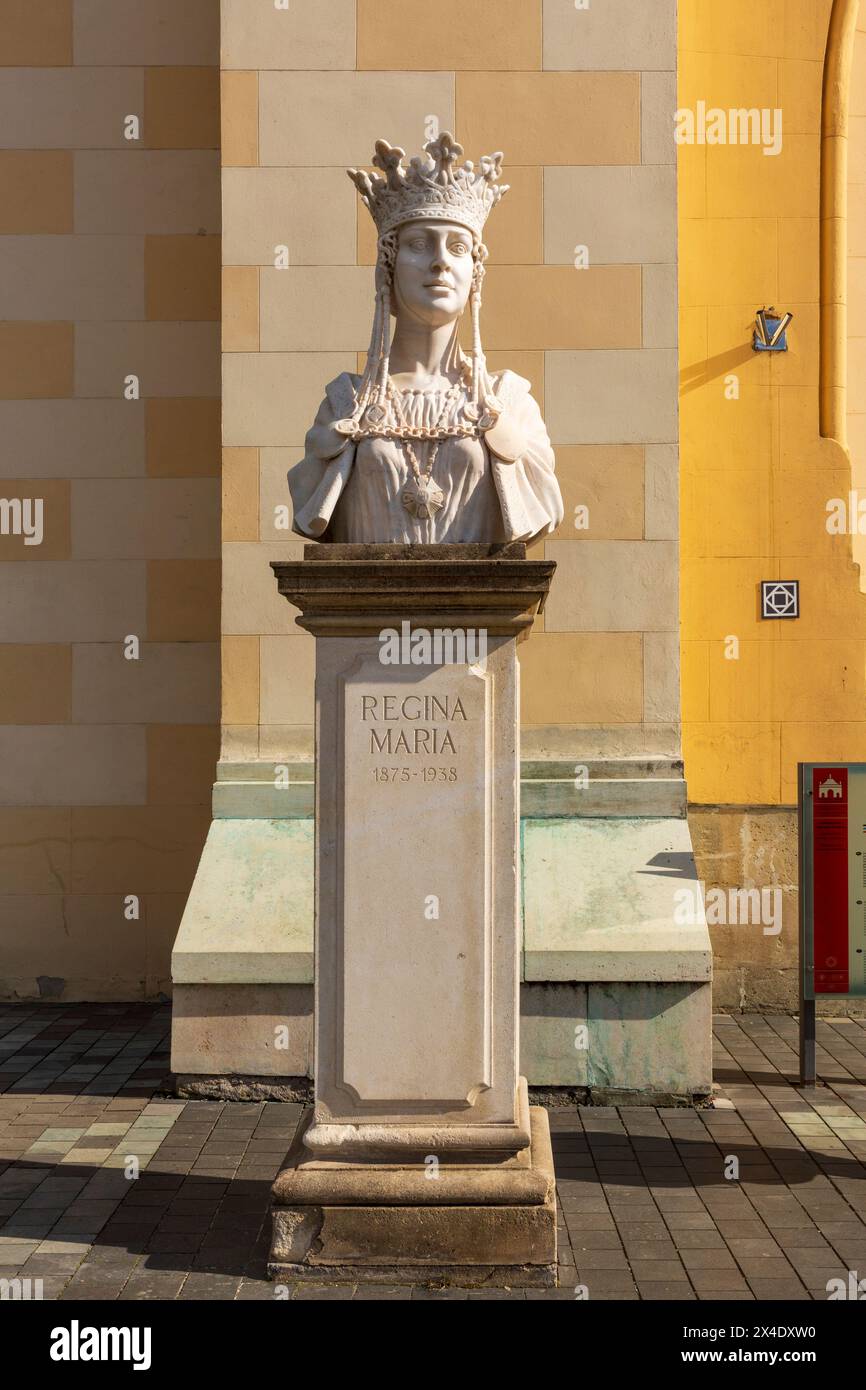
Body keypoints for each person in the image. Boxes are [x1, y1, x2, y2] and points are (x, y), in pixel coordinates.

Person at [287, 133, 564, 545]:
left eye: (457, 247)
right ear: (389, 266)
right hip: (361, 606)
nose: (439, 262)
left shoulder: (511, 403)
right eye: (419, 245)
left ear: (475, 273)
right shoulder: (344, 405)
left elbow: (542, 510)